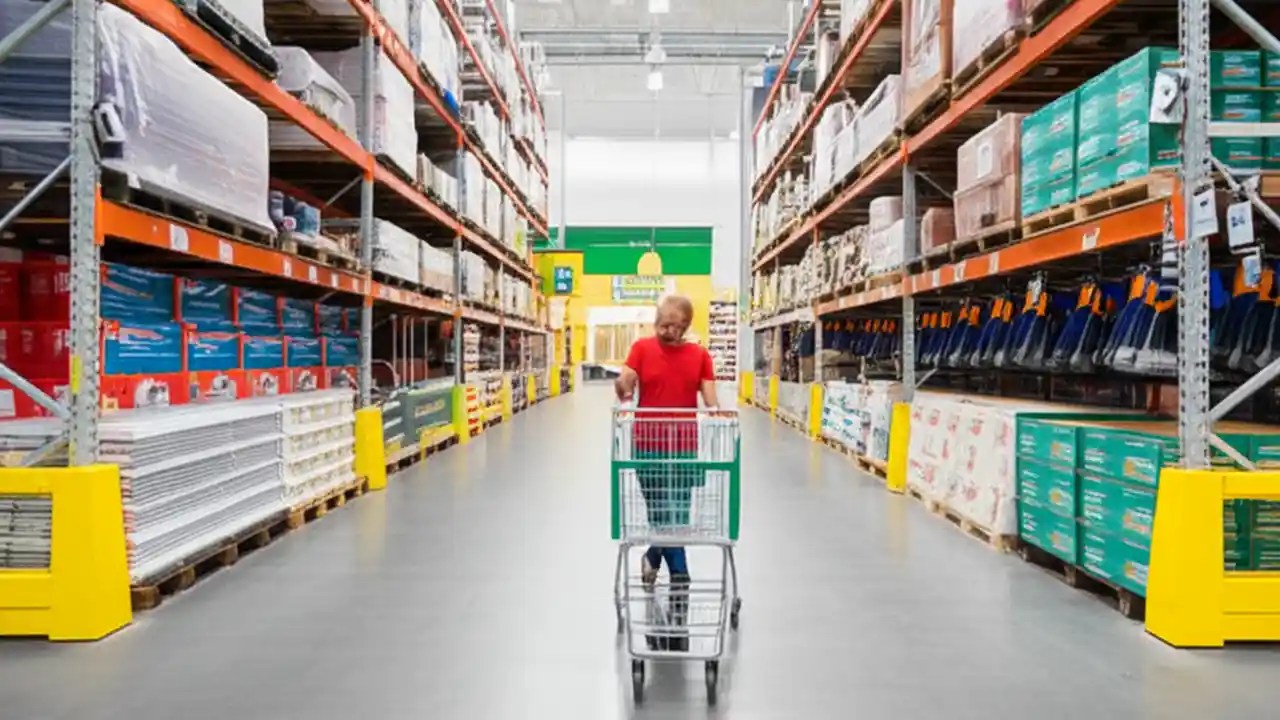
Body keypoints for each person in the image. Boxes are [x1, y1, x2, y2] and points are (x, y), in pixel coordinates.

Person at [614, 295, 720, 596]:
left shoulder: (699, 354)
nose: (667, 331)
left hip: (684, 445)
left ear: (686, 326)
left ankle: (663, 562)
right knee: (660, 511)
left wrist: (716, 410)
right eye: (663, 324)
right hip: (648, 443)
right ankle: (678, 571)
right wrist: (624, 390)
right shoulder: (642, 349)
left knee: (678, 514)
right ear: (655, 321)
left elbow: (708, 391)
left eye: (675, 326)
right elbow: (628, 379)